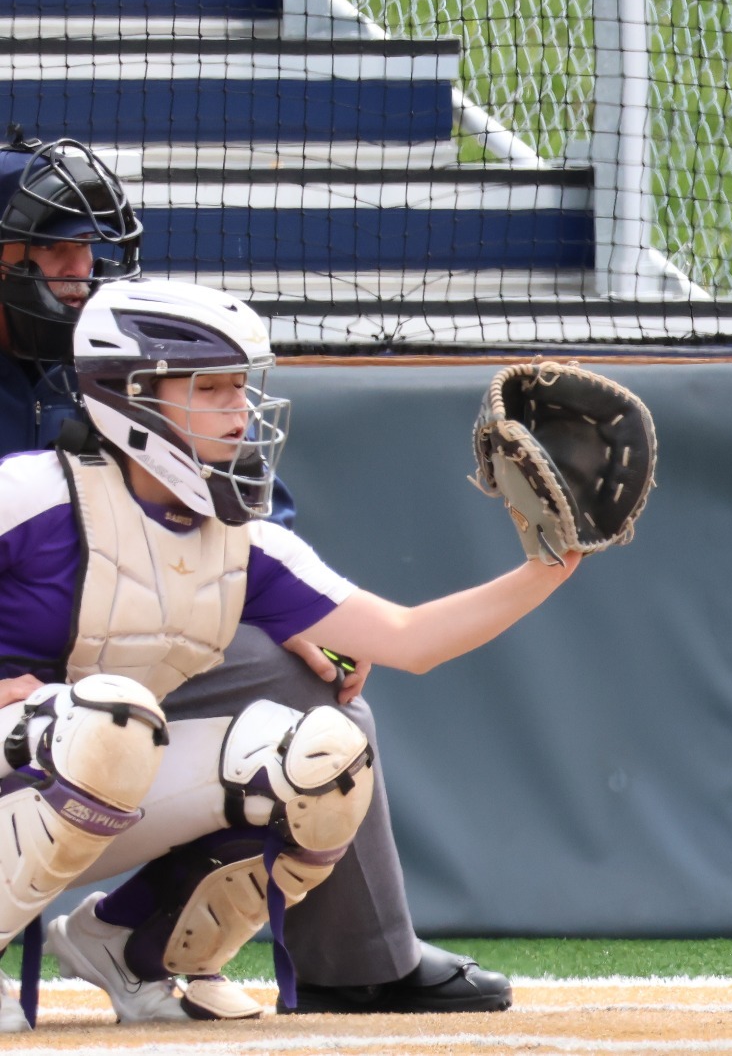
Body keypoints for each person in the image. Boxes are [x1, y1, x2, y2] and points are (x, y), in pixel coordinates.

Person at [0, 134, 512, 1016]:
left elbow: (242, 515)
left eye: (89, 249)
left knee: (305, 693)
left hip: (113, 635)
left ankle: (348, 957)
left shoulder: (122, 351)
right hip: (22, 659)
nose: (78, 271)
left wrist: (298, 617)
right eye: (52, 248)